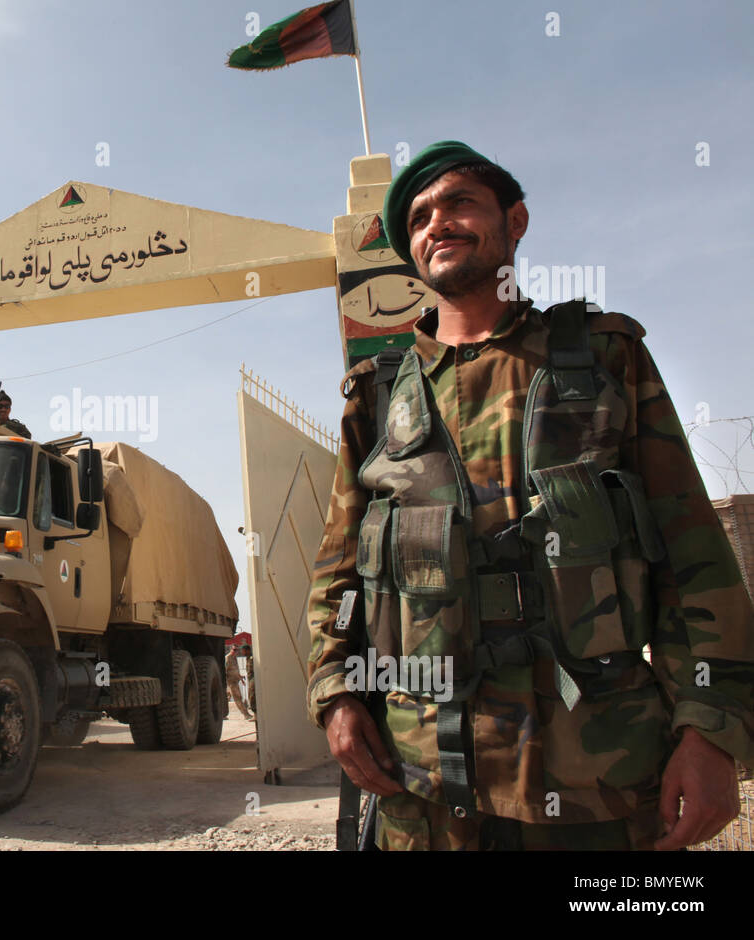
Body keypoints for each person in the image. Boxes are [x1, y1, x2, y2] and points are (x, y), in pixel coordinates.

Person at [306, 140, 754, 850]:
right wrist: (334, 694)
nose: (438, 223)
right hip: (422, 782)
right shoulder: (380, 396)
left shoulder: (604, 357)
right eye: (420, 217)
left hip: (593, 782)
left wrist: (711, 728)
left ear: (515, 221)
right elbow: (339, 573)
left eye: (460, 203)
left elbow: (692, 553)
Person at [226, 645, 251, 719]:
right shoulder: (228, 658)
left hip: (235, 680)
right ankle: (246, 714)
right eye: (234, 649)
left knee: (227, 698)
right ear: (231, 649)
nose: (235, 651)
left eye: (236, 650)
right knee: (238, 698)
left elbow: (236, 670)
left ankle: (222, 715)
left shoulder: (234, 658)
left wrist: (241, 679)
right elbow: (225, 670)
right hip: (231, 682)